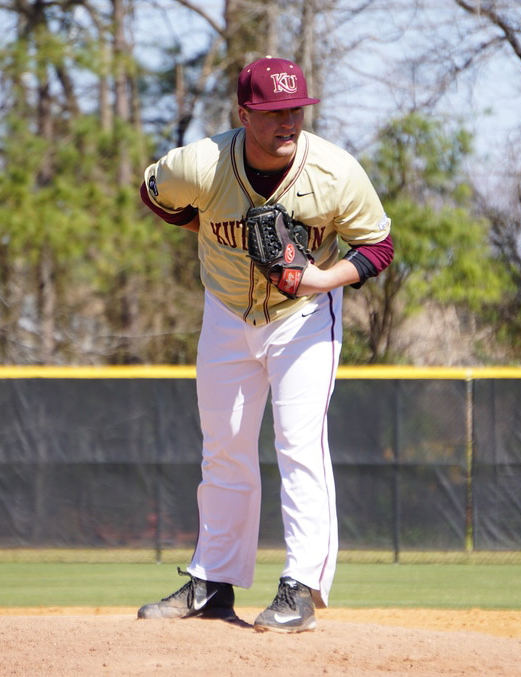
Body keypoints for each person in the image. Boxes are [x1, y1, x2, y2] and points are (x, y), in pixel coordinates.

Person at [136, 55, 394, 633]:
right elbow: (154, 193)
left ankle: (301, 587)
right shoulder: (201, 164)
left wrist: (322, 278)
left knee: (298, 444)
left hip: (304, 314)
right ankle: (213, 582)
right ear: (245, 112)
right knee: (223, 447)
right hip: (227, 311)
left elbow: (378, 246)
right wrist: (202, 222)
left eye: (296, 110)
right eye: (275, 112)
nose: (288, 122)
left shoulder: (334, 170)